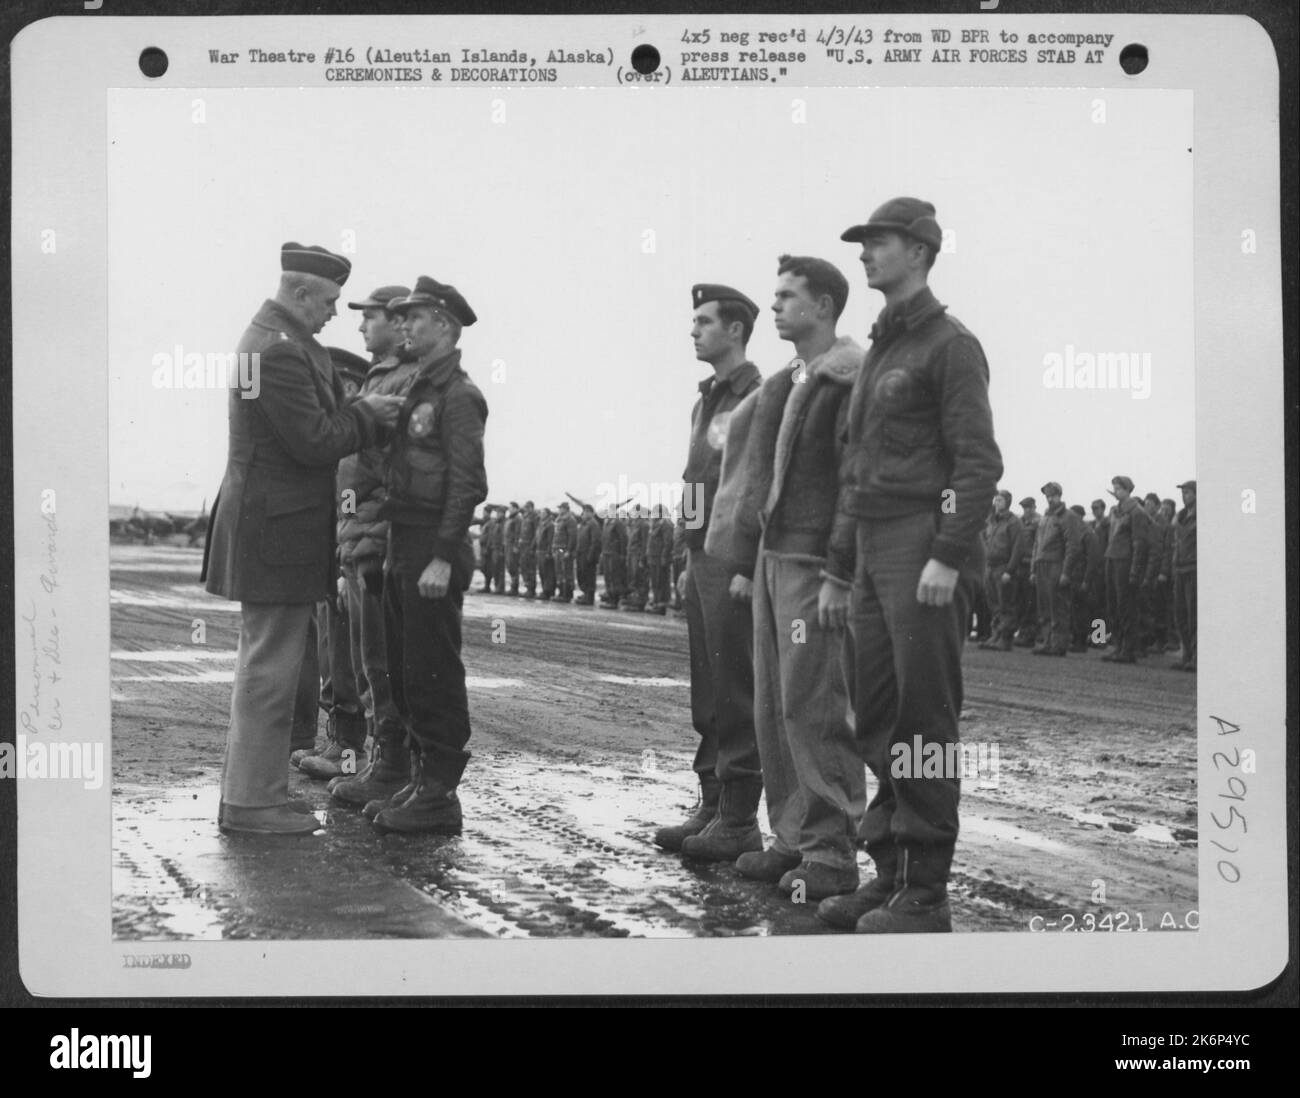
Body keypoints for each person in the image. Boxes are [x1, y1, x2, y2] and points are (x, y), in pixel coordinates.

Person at [818, 198, 1002, 933]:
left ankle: (926, 892)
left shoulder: (948, 345)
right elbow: (855, 468)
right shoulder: (884, 349)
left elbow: (978, 462)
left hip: (922, 546)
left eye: (879, 243)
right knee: (878, 717)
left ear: (921, 252)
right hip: (870, 549)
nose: (865, 254)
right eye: (863, 244)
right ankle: (888, 875)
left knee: (923, 724)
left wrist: (948, 556)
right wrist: (839, 566)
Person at [202, 242, 402, 834]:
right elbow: (314, 440)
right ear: (300, 293)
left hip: (273, 528)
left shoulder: (278, 342)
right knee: (269, 671)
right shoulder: (276, 352)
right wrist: (372, 413)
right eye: (331, 301)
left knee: (267, 666)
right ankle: (251, 805)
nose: (336, 313)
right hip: (277, 531)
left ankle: (253, 793)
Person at [706, 254, 866, 901]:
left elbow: (854, 482)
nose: (773, 306)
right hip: (775, 561)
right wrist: (748, 561)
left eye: (786, 296)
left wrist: (840, 571)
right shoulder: (790, 381)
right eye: (772, 296)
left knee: (815, 704)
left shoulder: (846, 377)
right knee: (776, 705)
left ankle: (831, 854)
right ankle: (793, 838)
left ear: (824, 305)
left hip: (812, 566)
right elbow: (757, 480)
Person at [363, 276, 488, 833]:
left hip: (432, 547)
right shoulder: (420, 388)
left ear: (444, 325)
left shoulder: (459, 395)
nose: (405, 324)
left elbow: (468, 484)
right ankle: (419, 780)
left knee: (433, 671)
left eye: (415, 317)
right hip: (403, 539)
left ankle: (440, 794)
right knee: (406, 669)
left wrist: (441, 557)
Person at [653, 283, 763, 856]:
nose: (694, 330)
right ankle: (713, 803)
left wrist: (743, 561)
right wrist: (686, 554)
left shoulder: (757, 396)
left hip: (732, 561)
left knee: (735, 686)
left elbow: (757, 487)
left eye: (704, 321)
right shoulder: (706, 401)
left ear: (736, 330)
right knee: (708, 686)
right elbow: (695, 483)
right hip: (702, 559)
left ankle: (741, 818)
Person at [327, 286, 433, 808]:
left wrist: (381, 545)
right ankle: (381, 760)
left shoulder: (406, 381)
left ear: (395, 323)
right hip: (358, 542)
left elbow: (398, 476)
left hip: (377, 544)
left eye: (370, 318)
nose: (362, 327)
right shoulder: (378, 380)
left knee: (384, 663)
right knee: (369, 663)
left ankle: (391, 766)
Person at [297, 347, 374, 781]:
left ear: (348, 386)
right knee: (333, 656)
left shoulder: (355, 438)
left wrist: (344, 565)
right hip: (334, 561)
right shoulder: (338, 436)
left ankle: (351, 751)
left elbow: (350, 505)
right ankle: (339, 741)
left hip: (348, 561)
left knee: (350, 660)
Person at [1100, 475, 1154, 663]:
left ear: (1128, 490)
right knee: (1114, 605)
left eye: (1119, 488)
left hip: (1125, 563)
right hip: (1113, 560)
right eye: (1114, 487)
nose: (1115, 491)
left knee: (1126, 607)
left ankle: (1128, 649)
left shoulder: (1137, 512)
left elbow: (1140, 545)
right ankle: (1119, 646)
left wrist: (1134, 572)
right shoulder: (1115, 511)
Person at [1030, 482, 1083, 657]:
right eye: (1047, 496)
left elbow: (1073, 546)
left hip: (1056, 566)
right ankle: (1047, 641)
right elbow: (1037, 544)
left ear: (1060, 495)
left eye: (1052, 495)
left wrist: (1066, 572)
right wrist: (1033, 569)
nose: (1050, 499)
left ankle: (1058, 644)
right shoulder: (1045, 518)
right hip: (1042, 565)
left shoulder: (1068, 517)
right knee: (1044, 606)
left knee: (1057, 607)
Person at [977, 490, 1024, 651]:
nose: (997, 503)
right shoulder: (991, 521)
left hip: (1003, 567)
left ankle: (1005, 638)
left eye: (1000, 500)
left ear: (1008, 502)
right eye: (996, 500)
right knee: (994, 604)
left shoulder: (1013, 522)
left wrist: (1009, 571)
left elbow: (1018, 548)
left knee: (1006, 604)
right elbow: (984, 539)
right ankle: (995, 635)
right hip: (990, 567)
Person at [1068, 503, 1104, 652]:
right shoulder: (1075, 532)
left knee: (1093, 609)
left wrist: (1087, 581)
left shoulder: (1088, 533)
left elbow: (1093, 559)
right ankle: (1079, 639)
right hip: (1076, 576)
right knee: (1077, 610)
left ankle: (1097, 639)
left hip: (1086, 577)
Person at [1172, 480, 1197, 671]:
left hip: (1194, 569)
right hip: (1179, 568)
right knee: (1180, 614)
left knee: (1193, 615)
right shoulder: (1180, 516)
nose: (1184, 495)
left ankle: (1197, 658)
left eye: (1188, 492)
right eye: (1183, 492)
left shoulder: (1202, 516)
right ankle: (1186, 654)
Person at [1013, 497, 1040, 647]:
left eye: (1029, 507)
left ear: (1034, 507)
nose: (1027, 510)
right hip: (1019, 564)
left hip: (1030, 564)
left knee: (1030, 602)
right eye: (1024, 508)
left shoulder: (1038, 522)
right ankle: (1022, 631)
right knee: (1020, 601)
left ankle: (1029, 634)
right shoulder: (1020, 521)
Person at [598, 507, 628, 607]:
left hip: (614, 553)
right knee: (608, 577)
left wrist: (623, 554)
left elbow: (623, 538)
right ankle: (609, 597)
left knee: (614, 577)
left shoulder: (618, 523)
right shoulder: (607, 522)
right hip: (607, 552)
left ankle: (614, 600)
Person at [575, 504, 602, 604]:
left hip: (588, 554)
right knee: (582, 574)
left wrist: (591, 556)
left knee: (589, 576)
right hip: (581, 553)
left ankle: (589, 597)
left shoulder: (593, 524)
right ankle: (585, 593)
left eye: (587, 512)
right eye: (584, 512)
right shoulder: (583, 524)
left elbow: (595, 542)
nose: (584, 514)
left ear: (591, 513)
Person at [551, 501, 578, 601]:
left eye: (561, 508)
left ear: (566, 509)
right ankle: (561, 592)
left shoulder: (570, 520)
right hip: (558, 548)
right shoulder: (559, 520)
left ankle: (567, 594)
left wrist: (569, 550)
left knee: (566, 572)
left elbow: (572, 537)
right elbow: (556, 536)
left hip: (564, 549)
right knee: (559, 572)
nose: (559, 510)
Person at [517, 501, 538, 598]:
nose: (526, 509)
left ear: (531, 508)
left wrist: (532, 546)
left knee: (530, 568)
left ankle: (531, 589)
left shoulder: (534, 517)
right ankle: (527, 587)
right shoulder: (525, 517)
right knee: (523, 566)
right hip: (523, 546)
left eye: (528, 507)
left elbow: (536, 533)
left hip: (529, 546)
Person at [535, 507, 556, 599]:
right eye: (541, 513)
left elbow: (550, 540)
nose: (541, 514)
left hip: (545, 551)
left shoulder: (550, 525)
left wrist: (549, 552)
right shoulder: (541, 524)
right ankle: (545, 589)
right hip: (540, 551)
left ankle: (548, 591)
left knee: (547, 573)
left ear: (547, 514)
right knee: (542, 572)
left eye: (543, 513)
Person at [504, 502, 522, 596]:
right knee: (509, 566)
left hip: (512, 545)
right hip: (508, 545)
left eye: (510, 507)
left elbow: (518, 533)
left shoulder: (518, 518)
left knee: (513, 566)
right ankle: (512, 586)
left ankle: (514, 588)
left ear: (515, 508)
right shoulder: (510, 518)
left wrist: (516, 546)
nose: (509, 509)